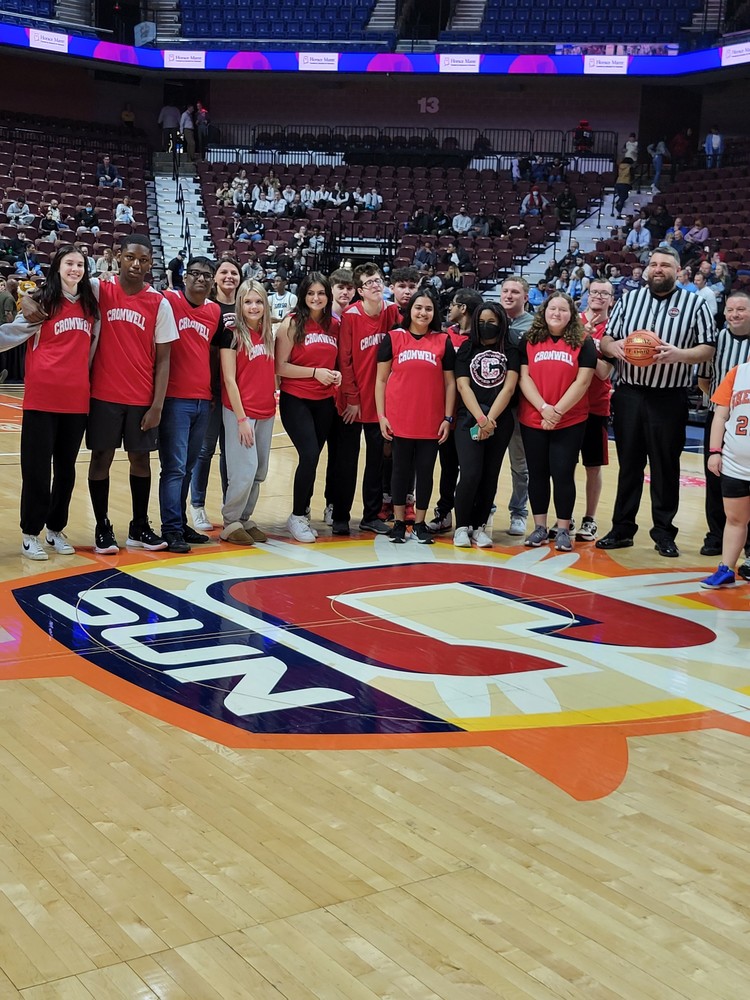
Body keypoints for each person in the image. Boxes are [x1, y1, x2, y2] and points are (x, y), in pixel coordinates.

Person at [22, 236, 178, 554]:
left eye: (144, 259)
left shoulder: (159, 302)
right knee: (98, 460)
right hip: (101, 396)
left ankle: (138, 526)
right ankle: (101, 526)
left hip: (139, 397)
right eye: (130, 257)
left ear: (151, 264)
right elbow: (58, 286)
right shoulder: (98, 288)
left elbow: (164, 359)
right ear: (118, 258)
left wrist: (158, 404)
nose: (136, 264)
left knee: (138, 460)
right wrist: (29, 296)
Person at [597, 247, 716, 557]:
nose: (658, 268)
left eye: (665, 264)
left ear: (678, 271)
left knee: (665, 467)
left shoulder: (695, 303)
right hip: (630, 394)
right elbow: (606, 339)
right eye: (653, 264)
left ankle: (664, 532)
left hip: (669, 396)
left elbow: (707, 348)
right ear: (647, 269)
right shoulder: (629, 299)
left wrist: (679, 354)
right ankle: (622, 529)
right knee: (629, 466)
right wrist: (617, 346)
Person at [0, 246, 99, 560]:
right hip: (42, 397)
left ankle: (55, 529)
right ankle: (31, 533)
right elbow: (11, 334)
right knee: (36, 470)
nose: (75, 269)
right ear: (57, 267)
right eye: (69, 263)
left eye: (80, 264)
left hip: (76, 400)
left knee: (67, 470)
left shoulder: (90, 304)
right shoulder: (42, 302)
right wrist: (26, 297)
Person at [375, 288, 456, 544]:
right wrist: (382, 416)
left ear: (434, 313)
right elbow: (380, 380)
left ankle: (419, 523)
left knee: (426, 472)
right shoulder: (394, 337)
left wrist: (448, 418)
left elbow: (451, 384)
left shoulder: (443, 341)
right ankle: (399, 523)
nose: (423, 312)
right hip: (400, 418)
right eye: (419, 307)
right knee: (399, 471)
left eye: (428, 309)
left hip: (431, 420)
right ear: (410, 310)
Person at [518, 292, 597, 552]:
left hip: (570, 420)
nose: (557, 314)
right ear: (544, 311)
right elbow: (523, 378)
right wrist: (543, 408)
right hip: (534, 418)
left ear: (571, 315)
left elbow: (583, 381)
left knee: (563, 473)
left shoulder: (584, 342)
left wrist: (558, 412)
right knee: (537, 473)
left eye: (563, 310)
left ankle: (563, 528)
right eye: (553, 308)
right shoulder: (529, 340)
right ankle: (540, 527)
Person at [159, 257, 225, 553]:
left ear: (212, 282)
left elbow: (213, 353)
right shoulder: (168, 301)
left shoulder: (213, 312)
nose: (200, 279)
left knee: (187, 467)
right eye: (195, 274)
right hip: (174, 398)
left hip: (202, 399)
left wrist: (211, 393)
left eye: (206, 275)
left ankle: (181, 523)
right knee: (173, 468)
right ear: (184, 277)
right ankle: (170, 529)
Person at [333, 263, 401, 536]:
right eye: (369, 282)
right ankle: (340, 515)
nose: (376, 285)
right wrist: (351, 397)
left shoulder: (393, 312)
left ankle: (371, 515)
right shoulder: (350, 316)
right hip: (353, 399)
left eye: (378, 280)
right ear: (360, 291)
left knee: (377, 461)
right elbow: (344, 360)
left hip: (381, 401)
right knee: (346, 461)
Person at [275, 272, 341, 543]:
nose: (316, 298)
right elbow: (280, 367)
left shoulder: (334, 325)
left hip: (324, 402)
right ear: (303, 296)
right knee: (310, 455)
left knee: (313, 459)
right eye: (311, 293)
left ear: (328, 296)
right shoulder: (291, 324)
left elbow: (335, 362)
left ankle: (304, 512)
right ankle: (297, 516)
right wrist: (315, 372)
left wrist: (334, 375)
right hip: (296, 399)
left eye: (321, 293)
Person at [453, 302, 519, 548]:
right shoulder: (467, 348)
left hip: (499, 421)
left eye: (492, 322)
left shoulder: (511, 350)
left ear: (501, 323)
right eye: (482, 322)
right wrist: (480, 419)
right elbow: (462, 386)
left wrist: (491, 419)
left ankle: (479, 527)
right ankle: (462, 526)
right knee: (470, 473)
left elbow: (510, 387)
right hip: (469, 419)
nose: (486, 326)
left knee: (489, 476)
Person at [218, 280, 276, 545]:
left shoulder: (268, 335)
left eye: (258, 301)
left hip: (266, 410)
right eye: (248, 302)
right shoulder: (231, 334)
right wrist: (241, 419)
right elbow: (229, 380)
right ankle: (230, 521)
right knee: (244, 468)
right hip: (241, 412)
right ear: (239, 304)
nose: (254, 307)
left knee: (259, 470)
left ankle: (244, 516)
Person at [697, 290, 750, 567]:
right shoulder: (716, 339)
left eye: (740, 309)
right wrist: (721, 403)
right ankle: (716, 535)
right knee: (716, 478)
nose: (734, 314)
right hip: (719, 416)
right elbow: (704, 380)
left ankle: (748, 545)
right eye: (730, 309)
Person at [190, 258, 241, 531]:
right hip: (210, 387)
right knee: (205, 449)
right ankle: (197, 505)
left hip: (236, 389)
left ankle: (229, 506)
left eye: (234, 272)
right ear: (215, 278)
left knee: (230, 453)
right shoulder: (208, 308)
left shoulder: (247, 306)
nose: (229, 276)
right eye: (224, 272)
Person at [427, 289, 483, 534]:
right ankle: (444, 510)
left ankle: (474, 513)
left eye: (453, 305)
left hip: (474, 413)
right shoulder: (445, 336)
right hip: (447, 411)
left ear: (463, 308)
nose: (449, 309)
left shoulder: (483, 339)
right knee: (448, 465)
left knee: (472, 468)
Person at [700, 359, 750, 587]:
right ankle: (726, 569)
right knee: (735, 519)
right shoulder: (738, 372)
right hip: (735, 463)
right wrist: (714, 451)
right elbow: (720, 415)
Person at [576, 278, 615, 542]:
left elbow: (603, 372)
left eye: (605, 293)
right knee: (562, 466)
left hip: (596, 406)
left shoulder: (613, 330)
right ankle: (562, 518)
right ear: (587, 295)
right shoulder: (571, 321)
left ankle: (589, 519)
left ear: (612, 299)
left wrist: (589, 342)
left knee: (592, 466)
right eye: (595, 292)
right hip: (566, 405)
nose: (599, 296)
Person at [500, 277, 534, 537]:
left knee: (519, 464)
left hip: (519, 404)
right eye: (505, 291)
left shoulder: (534, 326)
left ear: (526, 296)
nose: (509, 295)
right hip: (490, 404)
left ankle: (519, 512)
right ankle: (483, 508)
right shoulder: (489, 318)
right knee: (483, 463)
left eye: (515, 292)